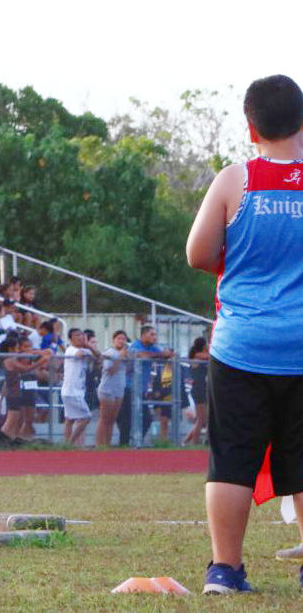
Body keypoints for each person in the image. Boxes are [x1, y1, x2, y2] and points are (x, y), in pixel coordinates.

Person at [185, 74, 303, 594]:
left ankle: (225, 571)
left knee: (232, 459)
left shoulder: (236, 179)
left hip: (242, 345)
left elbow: (198, 253)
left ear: (251, 126)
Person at [0, 333, 51, 448]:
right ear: (11, 349)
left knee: (15, 418)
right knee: (11, 419)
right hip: (13, 393)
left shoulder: (12, 358)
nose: (18, 350)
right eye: (16, 348)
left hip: (16, 392)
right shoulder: (9, 360)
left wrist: (37, 352)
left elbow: (28, 354)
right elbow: (26, 368)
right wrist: (42, 360)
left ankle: (11, 440)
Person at [61, 328, 98, 446]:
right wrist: (87, 350)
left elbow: (98, 356)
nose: (80, 337)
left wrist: (89, 346)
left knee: (69, 419)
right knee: (86, 417)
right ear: (70, 339)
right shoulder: (70, 349)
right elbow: (80, 355)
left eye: (82, 335)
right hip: (72, 391)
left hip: (76, 390)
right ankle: (70, 443)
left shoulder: (85, 349)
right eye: (77, 335)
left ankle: (66, 445)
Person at [95, 330, 129, 448]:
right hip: (107, 388)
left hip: (119, 388)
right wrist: (120, 357)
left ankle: (107, 444)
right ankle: (99, 444)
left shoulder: (125, 354)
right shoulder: (110, 353)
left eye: (123, 339)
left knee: (112, 419)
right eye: (119, 338)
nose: (121, 341)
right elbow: (111, 371)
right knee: (104, 418)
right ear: (114, 340)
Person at [183, 337, 209, 446]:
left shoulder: (202, 355)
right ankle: (193, 443)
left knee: (205, 419)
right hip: (199, 389)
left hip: (204, 388)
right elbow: (209, 356)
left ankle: (185, 441)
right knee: (201, 420)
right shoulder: (197, 355)